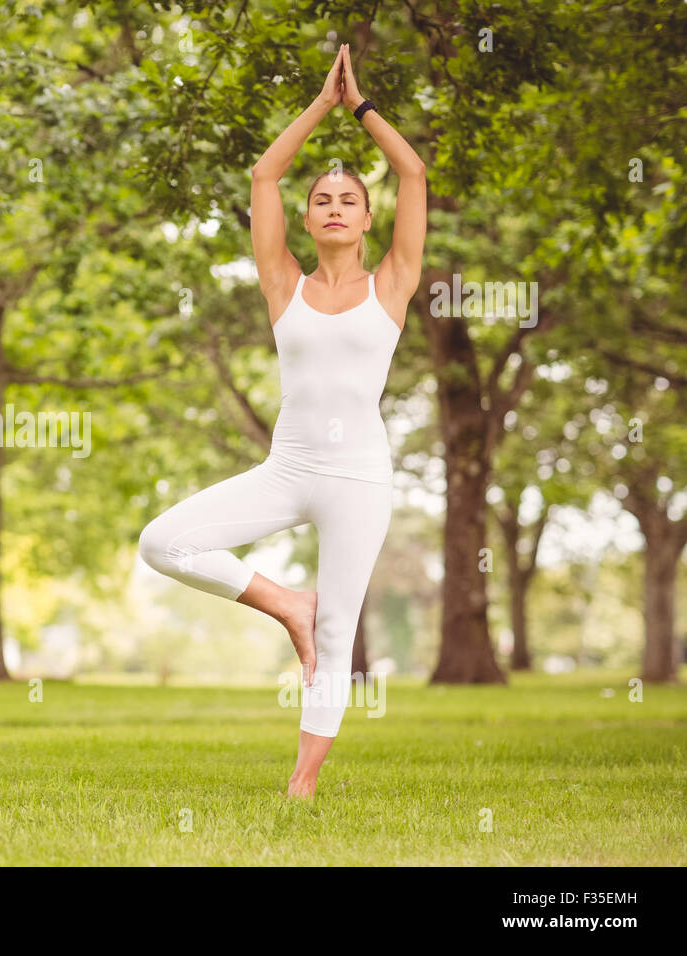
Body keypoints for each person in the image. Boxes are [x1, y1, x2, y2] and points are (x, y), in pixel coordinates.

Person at [137, 43, 426, 799]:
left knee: (337, 635)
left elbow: (413, 173)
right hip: (288, 469)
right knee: (162, 542)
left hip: (359, 477)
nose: (335, 208)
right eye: (323, 200)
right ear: (307, 218)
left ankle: (302, 783)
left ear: (368, 220)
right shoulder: (282, 284)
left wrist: (360, 106)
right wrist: (320, 106)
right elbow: (264, 173)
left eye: (348, 200)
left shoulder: (391, 283)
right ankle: (285, 603)